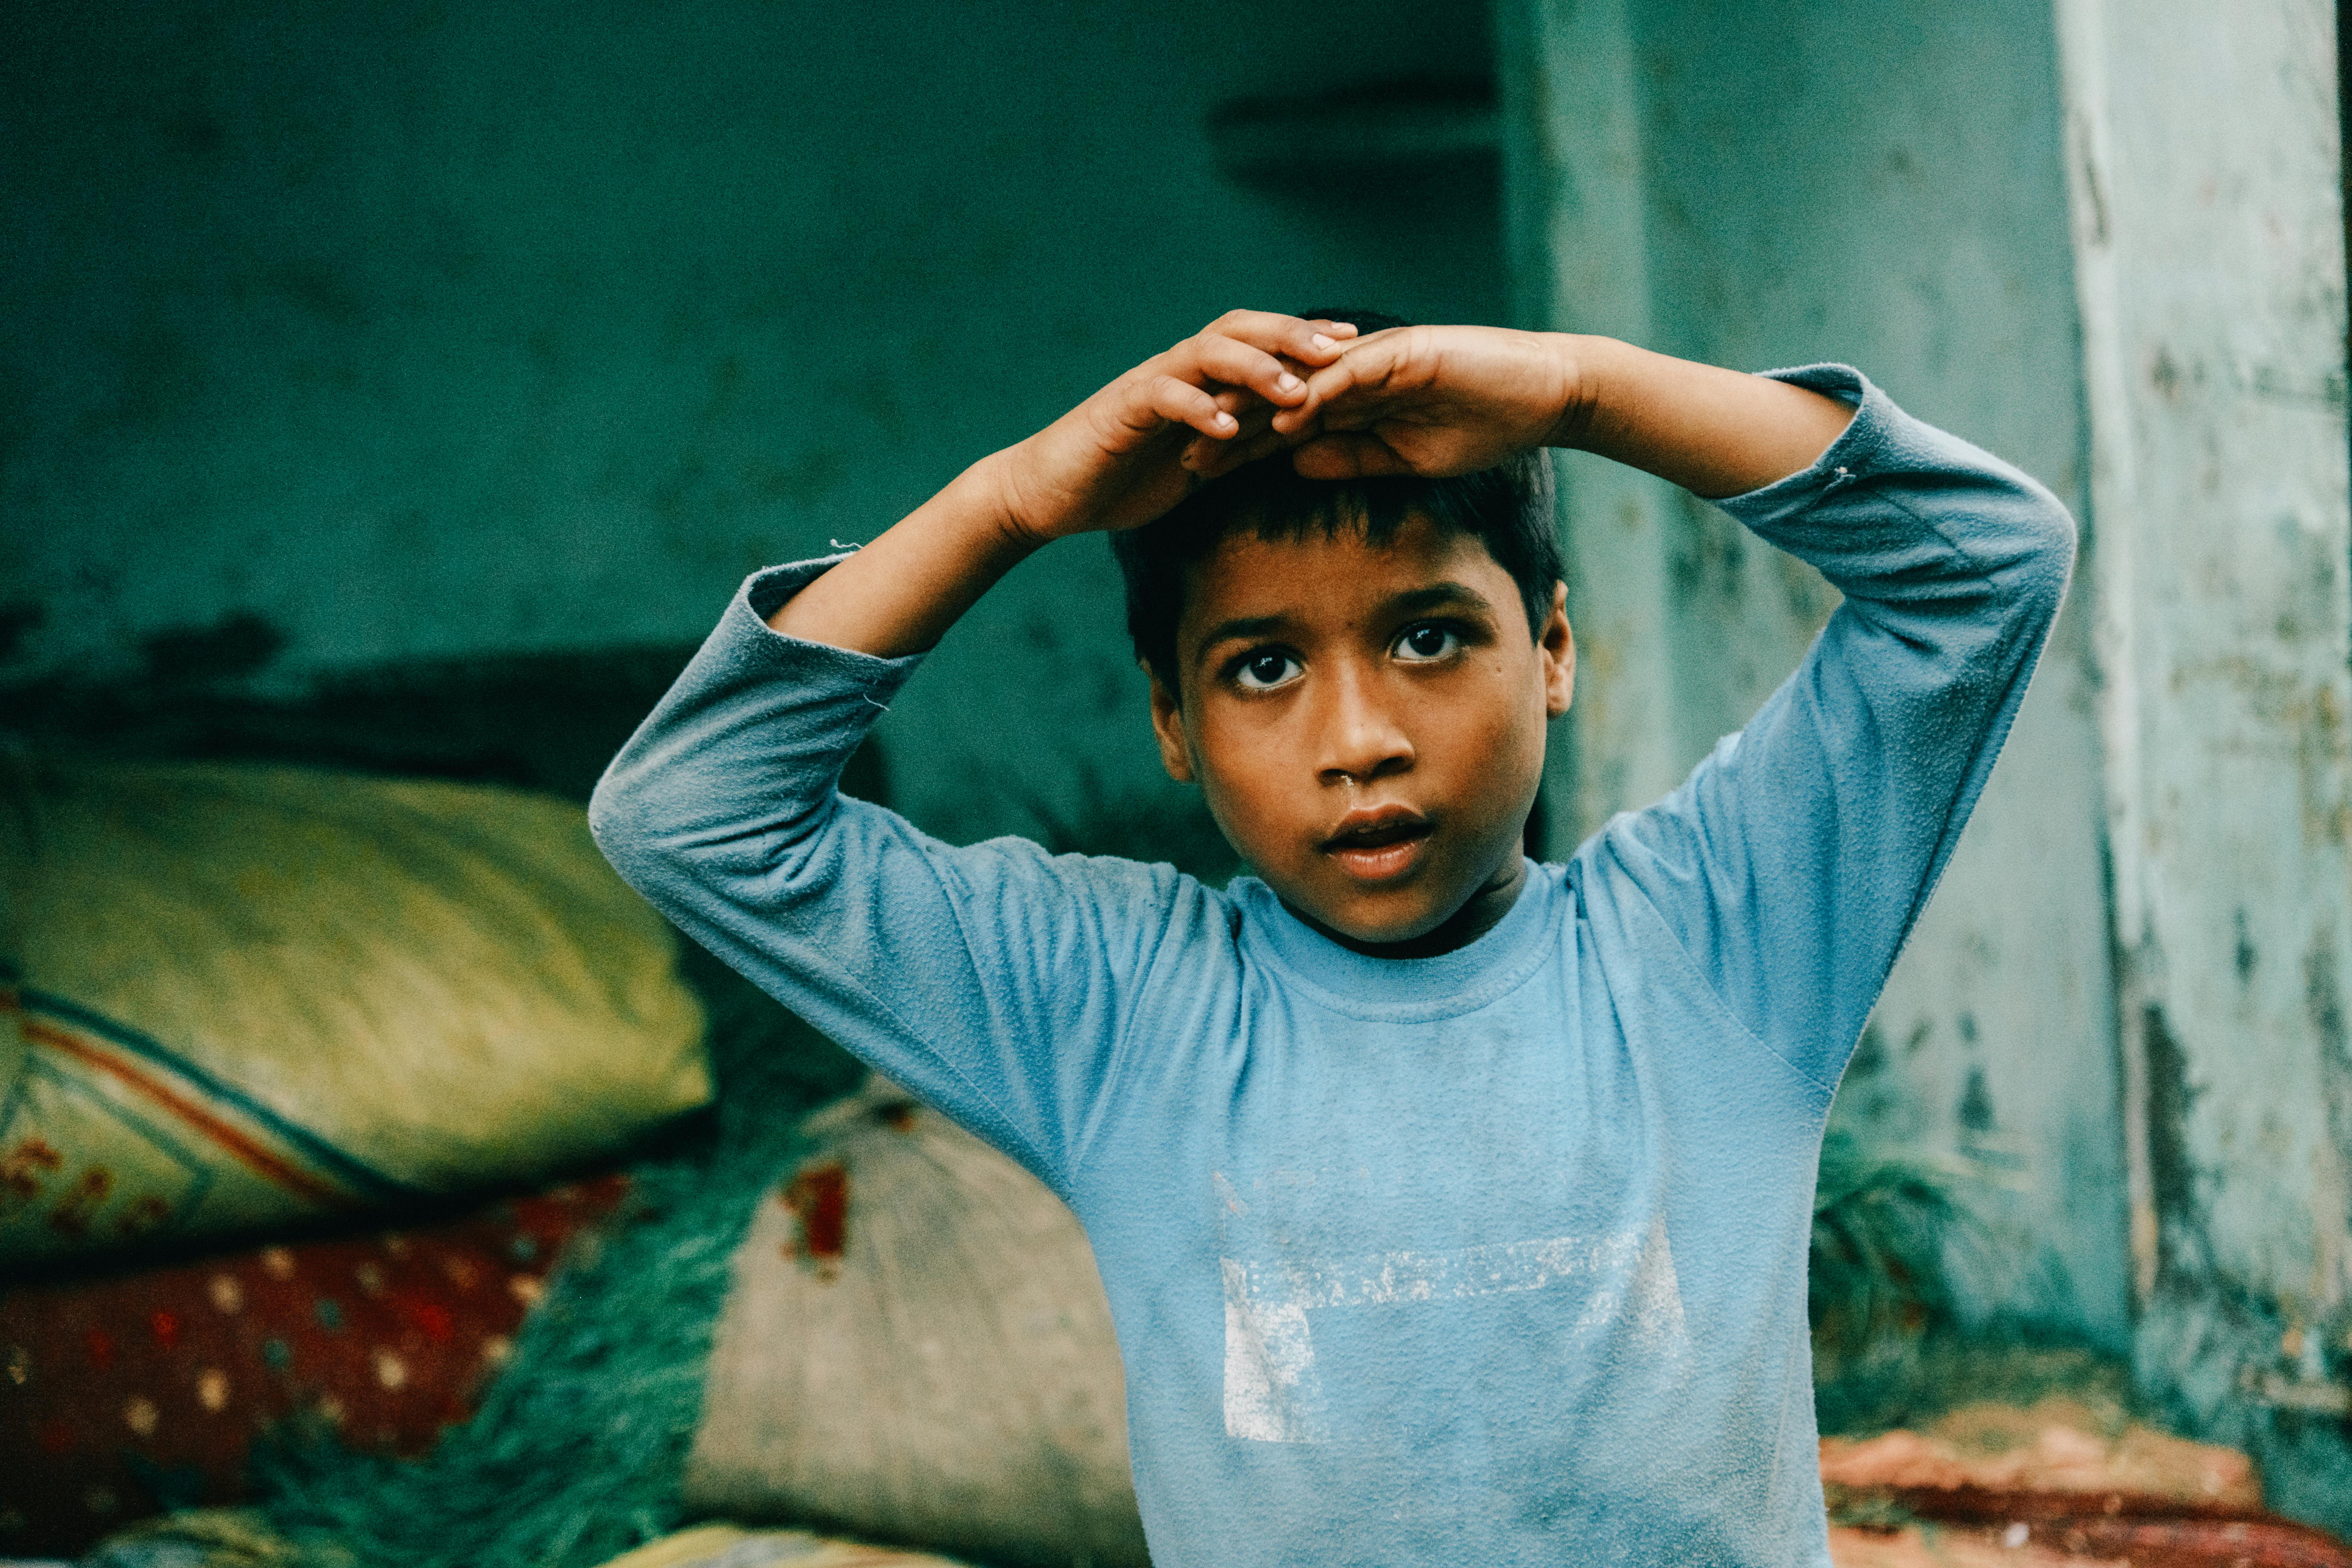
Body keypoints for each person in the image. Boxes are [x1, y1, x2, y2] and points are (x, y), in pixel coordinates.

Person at [590, 309, 2074, 1566]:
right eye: (1261, 666)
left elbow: (1986, 563)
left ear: (1552, 647)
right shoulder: (1115, 1008)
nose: (1358, 738)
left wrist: (1578, 389)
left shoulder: (1717, 941)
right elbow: (692, 814)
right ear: (1171, 722)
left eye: (1429, 636)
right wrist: (1017, 500)